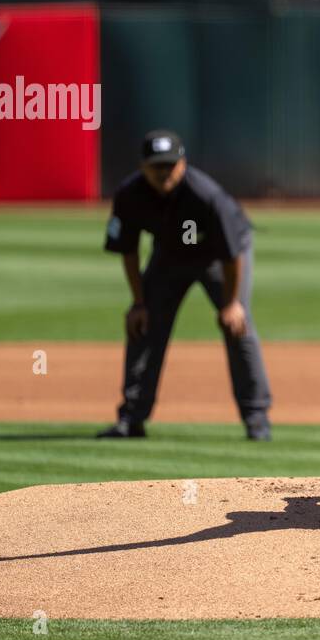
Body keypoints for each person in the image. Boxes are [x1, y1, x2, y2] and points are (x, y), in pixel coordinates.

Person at [97, 130, 273, 441]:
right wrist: (138, 302)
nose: (164, 172)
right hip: (170, 257)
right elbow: (128, 249)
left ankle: (256, 420)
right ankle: (131, 418)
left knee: (237, 326)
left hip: (219, 259)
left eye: (170, 165)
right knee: (143, 325)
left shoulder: (206, 196)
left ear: (183, 164)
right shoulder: (130, 195)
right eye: (156, 166)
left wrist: (232, 304)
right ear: (143, 167)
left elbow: (233, 255)